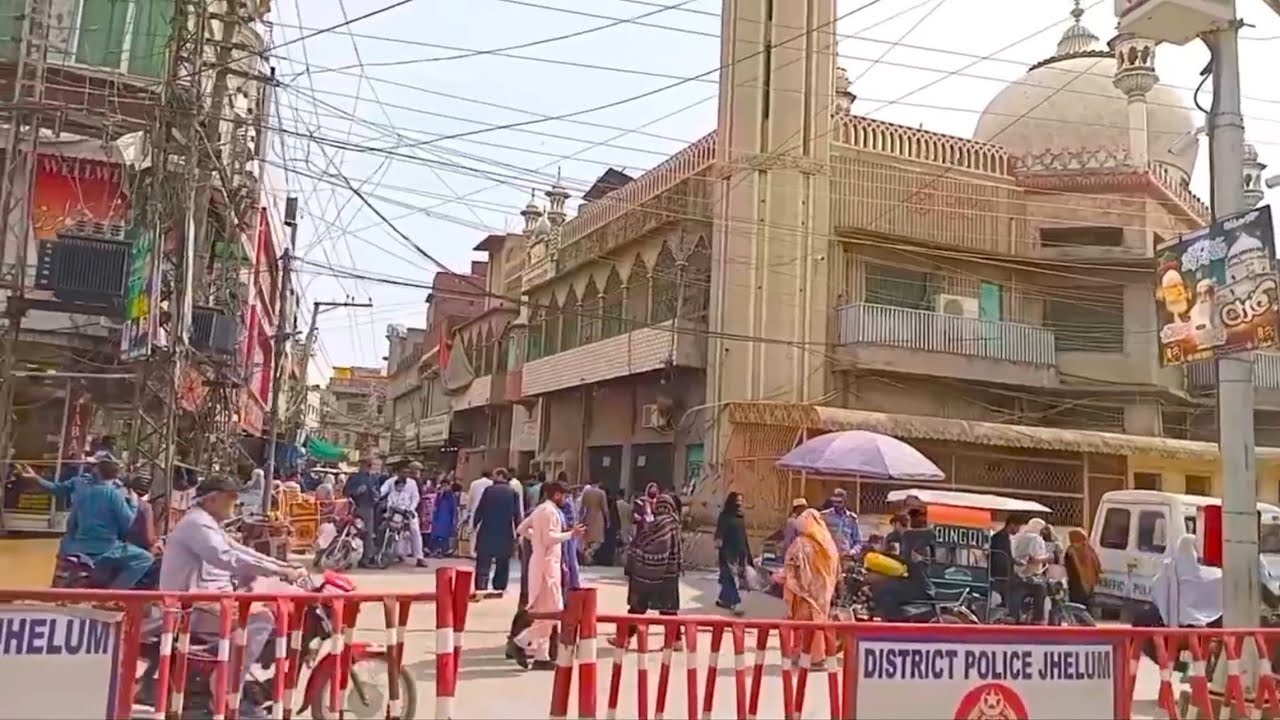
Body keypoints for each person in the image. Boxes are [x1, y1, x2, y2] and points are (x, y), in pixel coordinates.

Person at [159, 476, 306, 719]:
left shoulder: (208, 523)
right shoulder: (197, 524)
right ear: (213, 499)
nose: (233, 506)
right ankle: (226, 686)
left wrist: (282, 566)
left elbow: (241, 551)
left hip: (208, 599)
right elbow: (226, 557)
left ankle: (234, 673)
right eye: (230, 500)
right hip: (191, 607)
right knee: (262, 620)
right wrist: (279, 571)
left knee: (263, 603)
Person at [511, 481, 582, 669]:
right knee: (554, 611)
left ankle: (541, 656)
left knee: (544, 612)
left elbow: (521, 529)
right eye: (564, 496)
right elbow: (549, 538)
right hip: (547, 565)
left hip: (541, 562)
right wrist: (570, 534)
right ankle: (521, 641)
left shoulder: (539, 510)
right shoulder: (550, 512)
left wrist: (536, 539)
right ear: (557, 495)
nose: (565, 499)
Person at [59, 454, 154, 588]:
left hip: (79, 545)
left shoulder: (83, 492)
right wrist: (133, 505)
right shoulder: (116, 495)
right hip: (106, 547)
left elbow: (71, 524)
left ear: (97, 472)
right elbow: (128, 523)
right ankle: (112, 595)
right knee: (145, 559)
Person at [620, 493, 682, 644]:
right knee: (668, 610)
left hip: (649, 573)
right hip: (669, 574)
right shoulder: (674, 522)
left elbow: (654, 544)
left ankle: (625, 639)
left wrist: (638, 555)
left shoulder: (660, 524)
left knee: (638, 608)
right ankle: (676, 641)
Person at [783, 508, 840, 666]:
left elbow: (791, 567)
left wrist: (785, 580)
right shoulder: (829, 545)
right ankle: (818, 658)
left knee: (803, 625)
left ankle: (804, 657)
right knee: (819, 623)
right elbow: (837, 570)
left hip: (803, 593)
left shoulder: (801, 544)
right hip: (823, 594)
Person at [472, 475, 522, 592]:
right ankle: (499, 587)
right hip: (505, 531)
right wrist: (519, 533)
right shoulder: (513, 493)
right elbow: (517, 515)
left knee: (483, 561)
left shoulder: (488, 491)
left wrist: (475, 524)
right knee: (503, 561)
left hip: (487, 529)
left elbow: (480, 510)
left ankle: (481, 585)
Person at [379, 462, 427, 568]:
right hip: (393, 510)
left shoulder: (412, 483)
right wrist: (377, 495)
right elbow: (382, 491)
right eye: (403, 472)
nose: (405, 474)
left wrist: (411, 509)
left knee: (415, 530)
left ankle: (419, 558)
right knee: (384, 527)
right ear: (397, 473)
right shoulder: (390, 482)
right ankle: (382, 552)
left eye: (407, 472)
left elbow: (415, 498)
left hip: (407, 511)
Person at [715, 492, 753, 616]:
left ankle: (725, 600)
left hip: (739, 553)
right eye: (738, 501)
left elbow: (744, 538)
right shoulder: (725, 516)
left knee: (728, 577)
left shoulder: (740, 518)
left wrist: (748, 555)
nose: (740, 504)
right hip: (727, 552)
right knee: (727, 576)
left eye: (741, 501)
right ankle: (734, 601)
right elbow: (719, 533)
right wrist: (718, 542)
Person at [1009, 517, 1053, 624]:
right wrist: (1047, 558)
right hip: (1028, 575)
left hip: (1016, 573)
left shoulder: (1018, 536)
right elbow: (1033, 559)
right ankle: (1038, 618)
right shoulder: (1035, 539)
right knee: (1041, 588)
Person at [343, 458, 381, 567]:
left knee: (367, 533)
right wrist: (357, 491)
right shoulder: (354, 478)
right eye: (366, 465)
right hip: (355, 507)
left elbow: (378, 492)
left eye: (370, 465)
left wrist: (375, 495)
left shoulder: (373, 478)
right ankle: (346, 556)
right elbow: (346, 492)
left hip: (368, 508)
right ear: (361, 465)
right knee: (350, 531)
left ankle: (366, 558)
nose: (368, 468)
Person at [989, 513, 1025, 608]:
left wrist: (1016, 561)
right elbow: (1001, 557)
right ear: (1012, 525)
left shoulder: (1004, 537)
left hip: (1006, 574)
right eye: (1018, 527)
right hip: (1001, 576)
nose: (1018, 530)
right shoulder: (998, 538)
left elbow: (1008, 556)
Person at [1064, 528, 1102, 606]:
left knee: (1077, 605)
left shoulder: (1072, 551)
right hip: (1089, 583)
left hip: (1078, 584)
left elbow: (1072, 568)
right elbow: (1097, 564)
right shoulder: (1089, 549)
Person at [819, 488, 861, 557]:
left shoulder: (851, 519)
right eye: (834, 502)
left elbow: (858, 541)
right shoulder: (824, 516)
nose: (836, 504)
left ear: (845, 502)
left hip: (845, 556)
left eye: (839, 502)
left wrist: (853, 551)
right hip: (828, 556)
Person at [578, 483, 609, 564]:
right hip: (598, 518)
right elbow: (605, 508)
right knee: (598, 540)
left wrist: (580, 519)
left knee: (588, 540)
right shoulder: (601, 493)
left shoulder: (586, 493)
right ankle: (588, 553)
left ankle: (588, 558)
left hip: (588, 517)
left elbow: (582, 507)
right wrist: (608, 520)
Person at [559, 487, 583, 591]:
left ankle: (573, 586)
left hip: (568, 536)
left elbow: (570, 521)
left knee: (570, 561)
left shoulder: (567, 503)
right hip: (568, 535)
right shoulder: (569, 502)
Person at [430, 482, 462, 556]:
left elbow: (453, 508)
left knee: (444, 534)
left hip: (446, 516)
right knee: (436, 534)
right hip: (438, 516)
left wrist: (454, 518)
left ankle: (442, 550)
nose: (444, 487)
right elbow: (435, 505)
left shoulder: (451, 496)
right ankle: (436, 549)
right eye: (443, 486)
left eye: (446, 486)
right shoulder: (439, 495)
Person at [596, 488, 623, 566]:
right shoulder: (613, 503)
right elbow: (616, 515)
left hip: (604, 525)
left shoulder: (602, 502)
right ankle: (608, 561)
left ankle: (601, 559)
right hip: (612, 525)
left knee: (603, 544)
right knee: (610, 544)